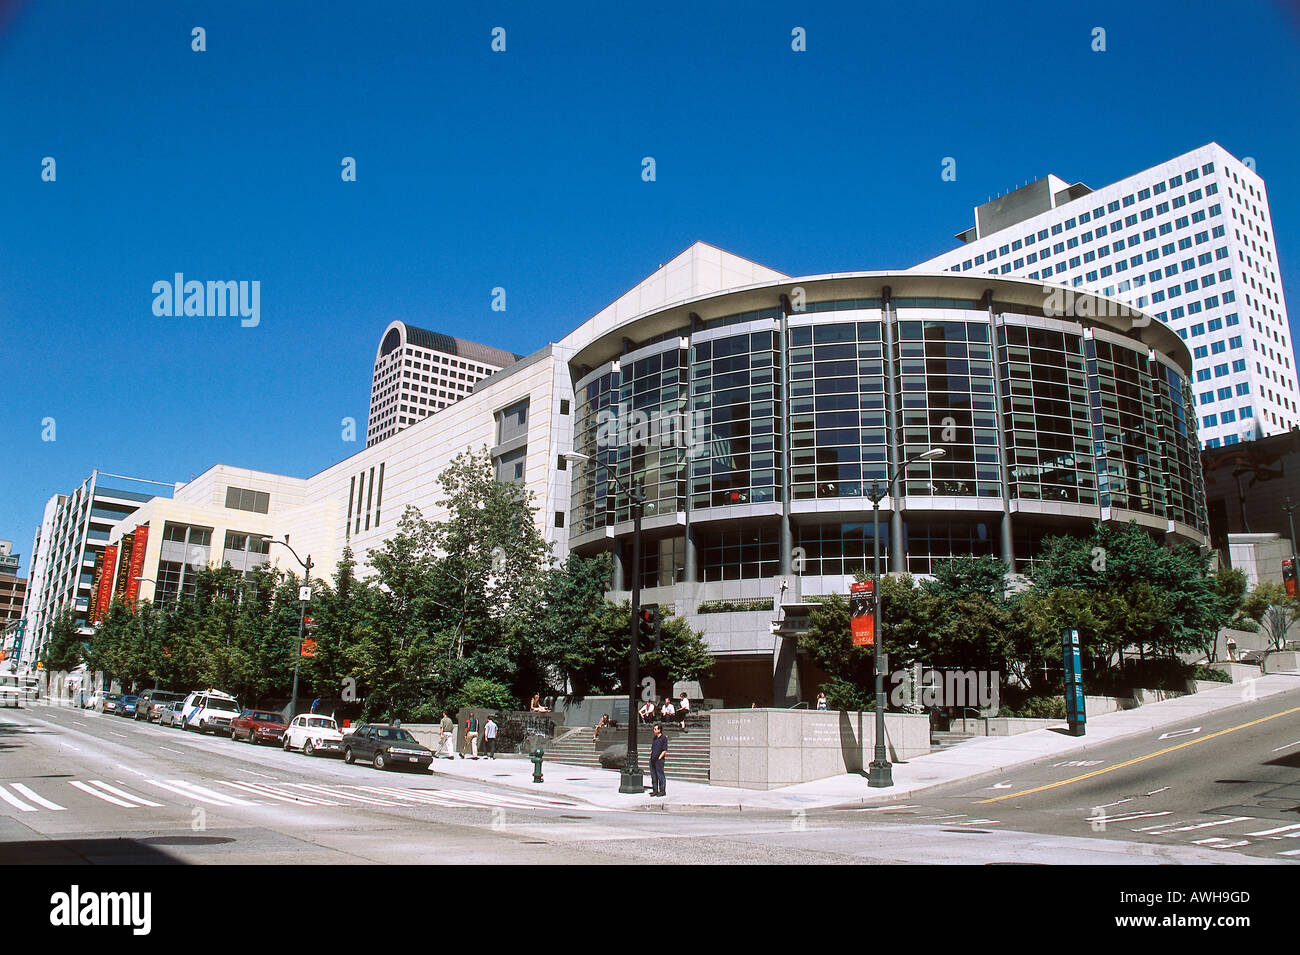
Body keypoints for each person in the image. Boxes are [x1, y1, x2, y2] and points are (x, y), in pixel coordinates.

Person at [649, 723, 668, 797]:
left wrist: (659, 757)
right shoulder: (655, 738)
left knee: (660, 775)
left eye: (655, 729)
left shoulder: (663, 738)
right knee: (653, 776)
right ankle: (655, 790)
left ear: (659, 730)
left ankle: (662, 791)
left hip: (659, 760)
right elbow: (652, 748)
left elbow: (665, 750)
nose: (654, 730)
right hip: (652, 759)